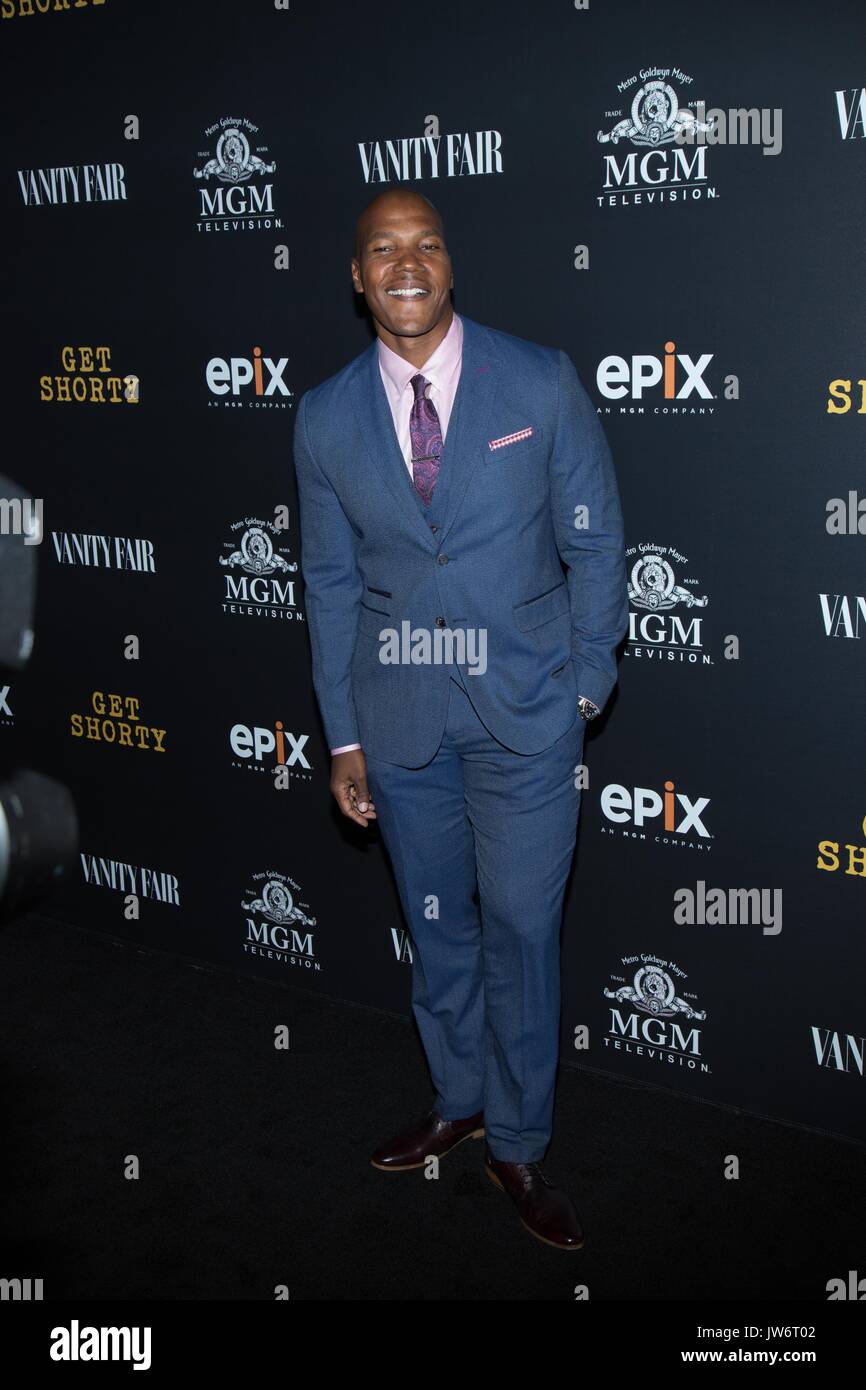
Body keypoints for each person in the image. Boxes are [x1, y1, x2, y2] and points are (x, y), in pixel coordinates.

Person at [293, 186, 628, 1250]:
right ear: (356, 277)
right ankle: (457, 1097)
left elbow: (597, 543)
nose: (404, 263)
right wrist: (342, 734)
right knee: (436, 929)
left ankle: (518, 1142)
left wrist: (584, 687)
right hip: (401, 724)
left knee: (522, 929)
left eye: (424, 245)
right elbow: (330, 581)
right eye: (382, 249)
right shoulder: (323, 414)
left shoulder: (538, 380)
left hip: (526, 714)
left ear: (449, 265)